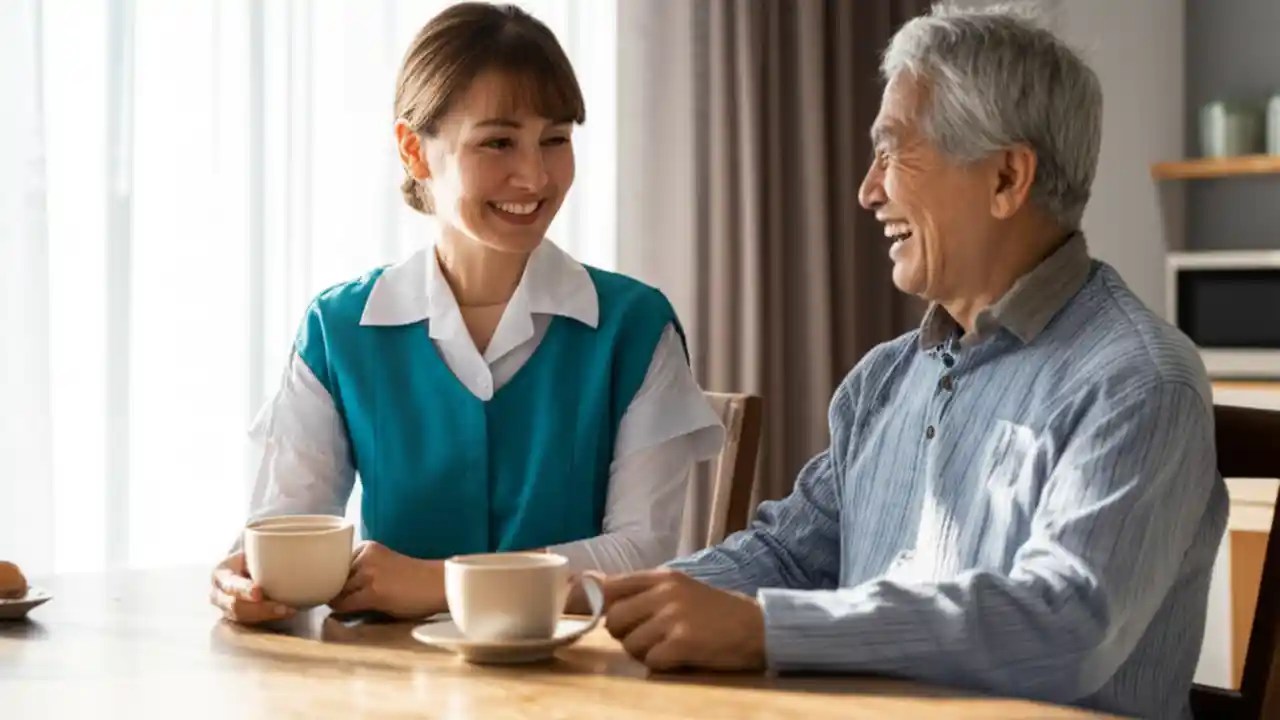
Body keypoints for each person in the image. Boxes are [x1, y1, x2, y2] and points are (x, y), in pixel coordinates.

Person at [597, 6, 1227, 719]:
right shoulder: (886, 378)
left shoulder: (1137, 382)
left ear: (1006, 179)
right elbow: (791, 556)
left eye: (893, 152)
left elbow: (1064, 624)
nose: (868, 189)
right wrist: (602, 602)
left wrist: (768, 630)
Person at [209, 2, 723, 625]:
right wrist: (247, 582)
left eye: (555, 139)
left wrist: (436, 583)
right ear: (414, 150)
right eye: (498, 142)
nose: (535, 175)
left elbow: (639, 555)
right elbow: (283, 532)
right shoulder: (338, 331)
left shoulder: (635, 328)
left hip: (577, 683)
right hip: (383, 687)